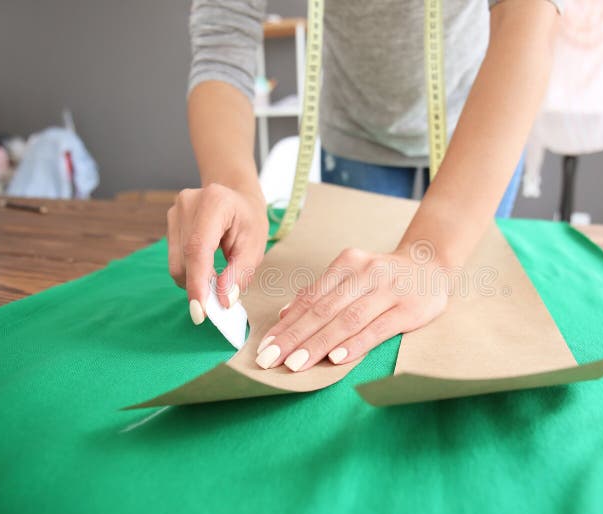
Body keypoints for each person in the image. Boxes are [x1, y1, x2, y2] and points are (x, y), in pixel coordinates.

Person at [167, 0, 560, 373]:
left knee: (466, 310)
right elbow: (224, 38)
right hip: (356, 130)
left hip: (481, 119)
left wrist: (433, 257)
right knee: (358, 315)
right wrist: (237, 185)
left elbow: (529, 15)